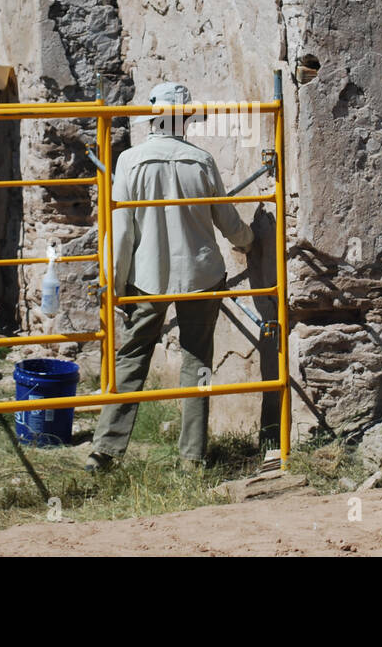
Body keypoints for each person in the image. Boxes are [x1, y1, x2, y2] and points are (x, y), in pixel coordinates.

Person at [87, 82, 255, 473]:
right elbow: (227, 220)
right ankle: (192, 458)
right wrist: (249, 239)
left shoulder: (130, 161)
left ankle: (105, 452)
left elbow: (122, 232)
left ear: (154, 118)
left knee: (131, 358)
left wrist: (116, 286)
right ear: (184, 120)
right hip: (202, 274)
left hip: (147, 277)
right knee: (197, 364)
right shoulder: (202, 161)